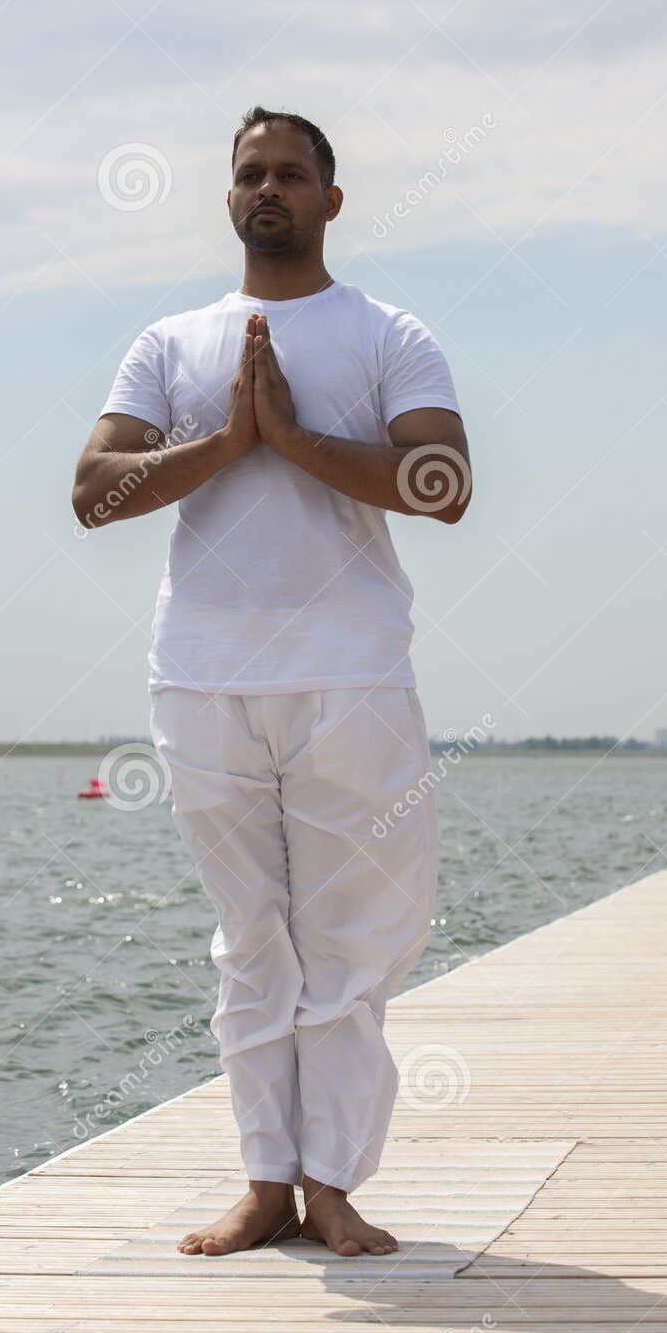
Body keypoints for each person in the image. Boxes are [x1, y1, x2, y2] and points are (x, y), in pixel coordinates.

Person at [72, 106, 471, 1257]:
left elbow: (444, 481)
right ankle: (263, 1180)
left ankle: (332, 1182)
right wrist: (225, 443)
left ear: (329, 200)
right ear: (228, 196)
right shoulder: (168, 341)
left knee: (352, 938)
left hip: (348, 672)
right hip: (200, 677)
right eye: (249, 172)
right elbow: (91, 489)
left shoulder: (387, 331)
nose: (268, 188)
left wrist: (293, 441)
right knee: (250, 936)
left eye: (290, 173)